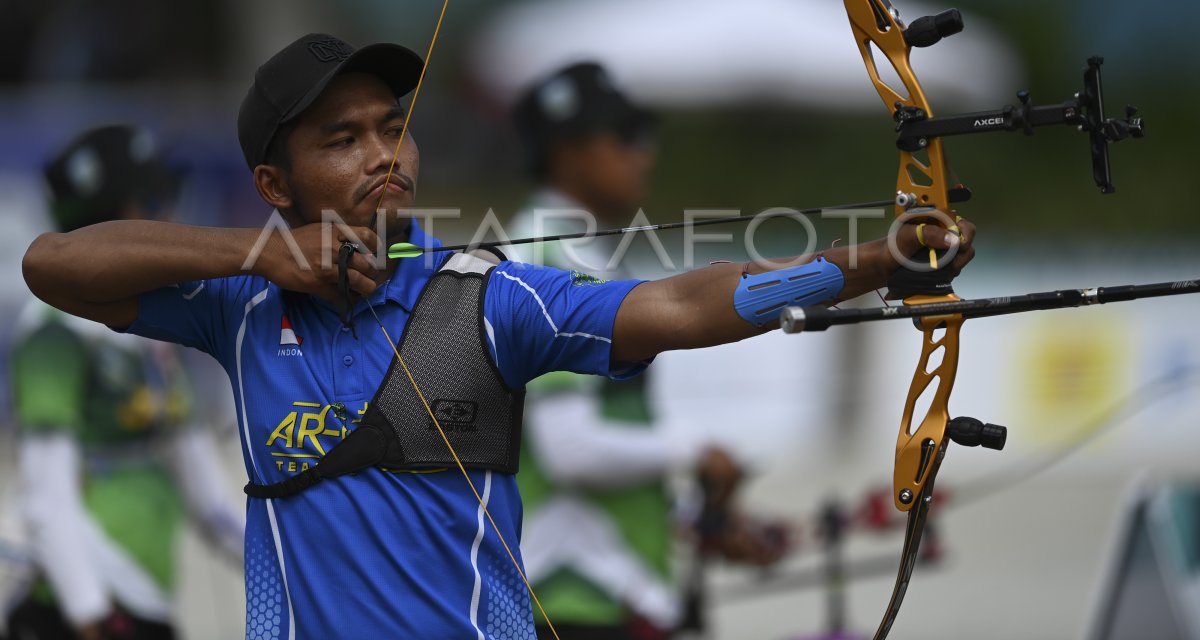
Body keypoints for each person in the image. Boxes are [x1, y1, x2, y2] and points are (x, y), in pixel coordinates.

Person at [20, 33, 975, 639]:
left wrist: (870, 262)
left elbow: (681, 306)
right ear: (277, 185)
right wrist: (259, 255)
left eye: (393, 127)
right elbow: (53, 263)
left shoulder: (489, 299)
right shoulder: (237, 310)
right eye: (341, 139)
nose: (384, 154)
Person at [507, 62, 784, 639]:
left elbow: (602, 429)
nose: (645, 154)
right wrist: (699, 451)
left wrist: (695, 520)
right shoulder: (544, 252)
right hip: (571, 594)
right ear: (567, 150)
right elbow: (569, 450)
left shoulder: (577, 246)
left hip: (604, 591)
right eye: (625, 137)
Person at [8, 126, 245, 640]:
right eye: (156, 200)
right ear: (109, 225)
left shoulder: (155, 328)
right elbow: (46, 495)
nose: (173, 217)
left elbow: (210, 500)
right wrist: (91, 613)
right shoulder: (53, 334)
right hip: (84, 614)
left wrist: (307, 572)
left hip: (141, 608)